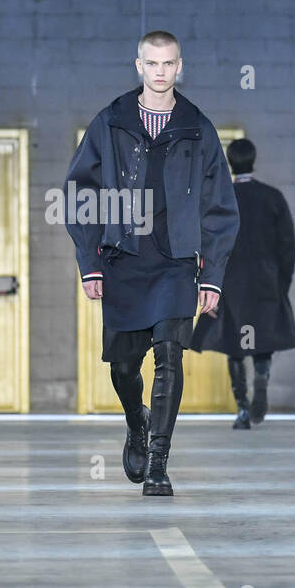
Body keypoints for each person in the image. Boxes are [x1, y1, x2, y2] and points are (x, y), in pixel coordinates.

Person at [64, 30, 239, 495]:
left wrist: (212, 275)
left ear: (179, 67)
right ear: (138, 66)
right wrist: (90, 259)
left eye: (169, 64)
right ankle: (134, 421)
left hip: (177, 261)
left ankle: (159, 464)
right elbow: (79, 192)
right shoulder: (111, 121)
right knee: (124, 367)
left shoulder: (198, 127)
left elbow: (220, 206)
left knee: (169, 356)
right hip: (123, 258)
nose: (160, 72)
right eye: (152, 64)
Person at [189, 138, 295, 429]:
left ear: (229, 162)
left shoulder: (220, 200)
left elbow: (207, 245)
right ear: (254, 159)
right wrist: (281, 284)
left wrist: (207, 286)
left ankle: (242, 407)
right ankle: (261, 379)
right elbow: (288, 246)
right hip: (265, 280)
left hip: (230, 281)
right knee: (262, 341)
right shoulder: (273, 197)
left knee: (234, 346)